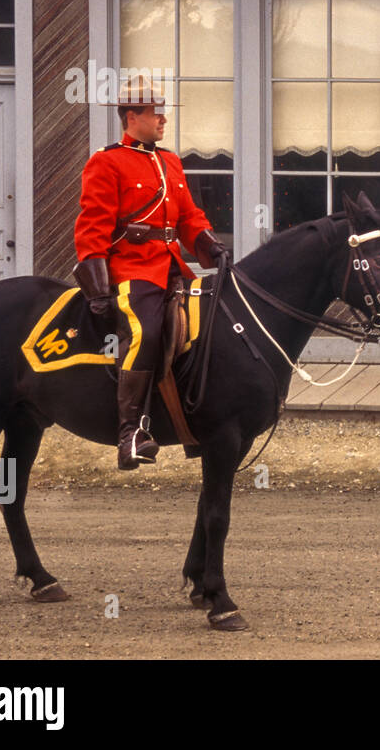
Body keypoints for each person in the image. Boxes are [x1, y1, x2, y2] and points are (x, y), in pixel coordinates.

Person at [71, 77, 228, 470]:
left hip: (175, 267)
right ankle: (131, 433)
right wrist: (97, 289)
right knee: (146, 331)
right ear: (131, 116)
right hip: (132, 269)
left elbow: (189, 217)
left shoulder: (170, 161)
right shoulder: (106, 162)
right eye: (156, 112)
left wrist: (212, 249)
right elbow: (92, 228)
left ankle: (197, 419)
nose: (163, 119)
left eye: (162, 111)